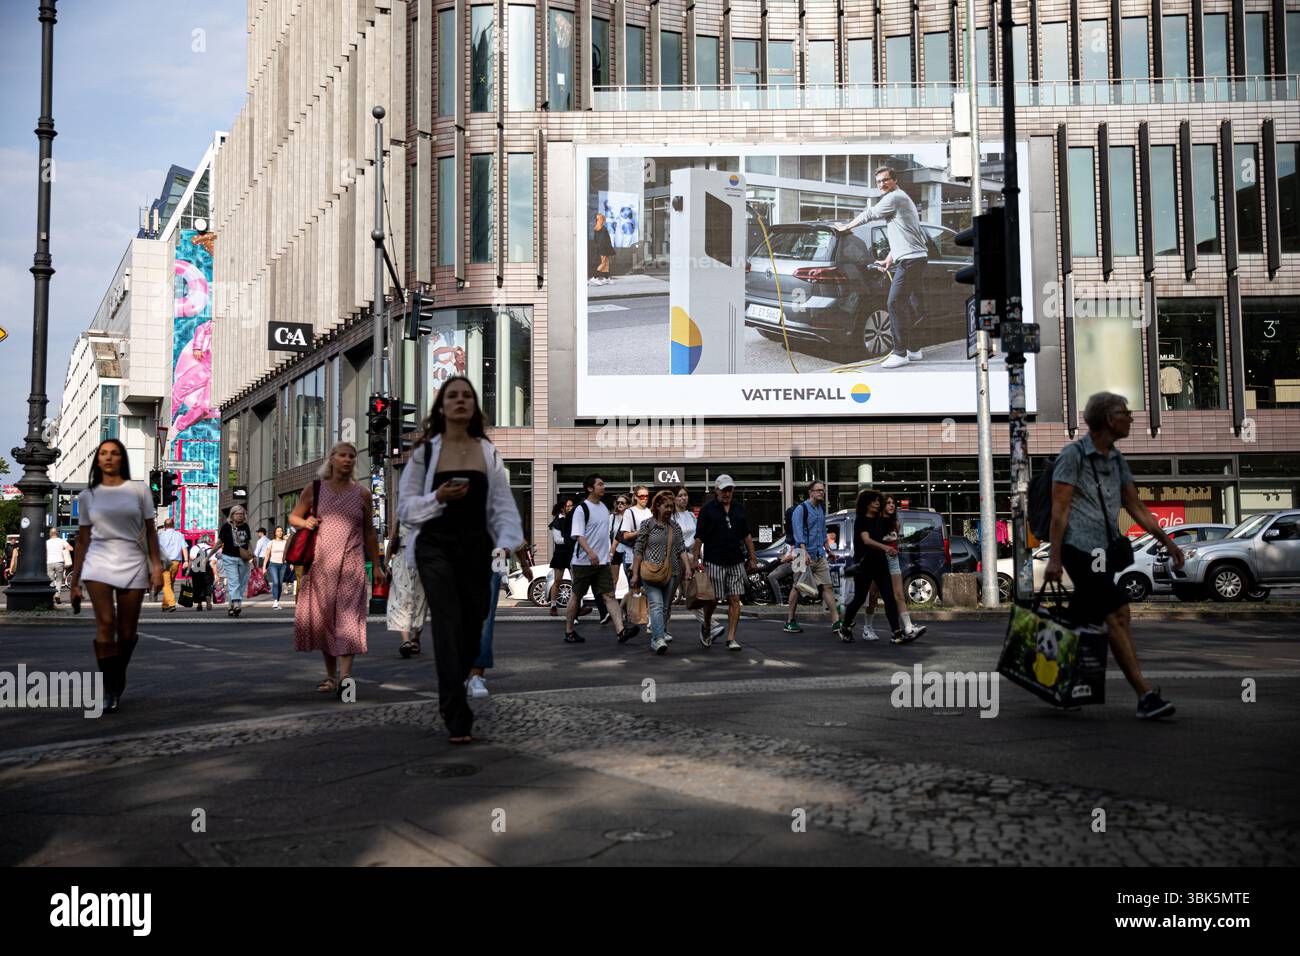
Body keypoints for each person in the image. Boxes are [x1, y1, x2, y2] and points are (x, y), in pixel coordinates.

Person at [398, 375, 529, 742]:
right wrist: (437, 496)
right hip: (434, 547)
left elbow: (502, 505)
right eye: (452, 395)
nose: (459, 401)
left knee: (473, 625)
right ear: (442, 406)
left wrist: (505, 543)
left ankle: (466, 673)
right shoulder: (426, 452)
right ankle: (455, 710)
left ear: (474, 406)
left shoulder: (487, 451)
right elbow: (406, 509)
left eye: (466, 396)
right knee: (445, 621)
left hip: (477, 547)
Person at [1045, 392, 1184, 720]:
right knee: (1118, 612)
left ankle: (1062, 685)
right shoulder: (1073, 456)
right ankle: (1145, 695)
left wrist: (1168, 541)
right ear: (1109, 419)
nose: (1132, 418)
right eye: (1125, 413)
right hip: (1079, 549)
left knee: (1082, 621)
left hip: (1104, 552)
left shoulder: (1117, 460)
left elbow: (1135, 506)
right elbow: (1059, 510)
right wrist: (1054, 557)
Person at [67, 438, 163, 713]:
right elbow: (83, 539)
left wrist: (156, 567)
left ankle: (117, 673)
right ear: (98, 460)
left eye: (115, 453)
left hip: (133, 561)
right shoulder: (88, 496)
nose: (109, 458)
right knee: (106, 623)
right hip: (97, 562)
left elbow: (151, 532)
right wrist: (75, 582)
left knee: (127, 631)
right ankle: (110, 687)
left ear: (122, 459)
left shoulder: (139, 491)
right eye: (104, 454)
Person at [292, 442, 382, 700]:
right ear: (331, 458)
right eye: (342, 455)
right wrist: (306, 521)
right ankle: (331, 676)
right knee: (324, 621)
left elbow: (369, 532)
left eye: (352, 456)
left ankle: (345, 677)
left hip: (352, 565)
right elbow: (294, 517)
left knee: (348, 619)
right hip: (320, 565)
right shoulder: (315, 489)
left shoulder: (363, 493)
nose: (347, 459)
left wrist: (376, 565)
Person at [835, 166, 929, 369]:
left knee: (894, 303)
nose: (881, 184)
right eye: (878, 182)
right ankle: (914, 350)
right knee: (913, 305)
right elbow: (903, 234)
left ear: (895, 180)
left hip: (911, 260)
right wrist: (888, 258)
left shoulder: (894, 197)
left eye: (885, 180)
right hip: (914, 257)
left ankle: (900, 353)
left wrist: (846, 227)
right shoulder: (901, 198)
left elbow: (870, 214)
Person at [563, 473, 638, 644]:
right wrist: (590, 553)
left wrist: (608, 554)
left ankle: (621, 631)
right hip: (583, 562)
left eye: (603, 484)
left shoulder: (604, 508)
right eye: (600, 484)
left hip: (603, 562)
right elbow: (578, 535)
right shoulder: (582, 509)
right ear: (590, 488)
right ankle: (569, 632)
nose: (603, 487)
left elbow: (605, 535)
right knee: (576, 595)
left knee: (609, 595)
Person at [839, 489, 916, 644]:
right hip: (864, 565)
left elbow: (891, 535)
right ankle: (845, 626)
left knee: (889, 598)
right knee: (859, 599)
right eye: (873, 501)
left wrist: (892, 543)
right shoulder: (861, 520)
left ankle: (896, 632)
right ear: (866, 503)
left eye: (878, 500)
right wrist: (886, 548)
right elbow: (866, 540)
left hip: (880, 564)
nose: (877, 503)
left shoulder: (881, 520)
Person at [692, 474, 759, 651]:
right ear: (716, 490)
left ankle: (731, 638)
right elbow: (699, 538)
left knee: (735, 599)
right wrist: (696, 560)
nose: (727, 493)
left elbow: (747, 535)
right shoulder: (708, 509)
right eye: (724, 490)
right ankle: (706, 625)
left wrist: (753, 558)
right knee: (713, 599)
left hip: (735, 560)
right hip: (714, 560)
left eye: (730, 490)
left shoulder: (738, 508)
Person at [631, 489, 691, 654]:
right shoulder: (647, 525)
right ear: (657, 506)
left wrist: (687, 569)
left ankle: (661, 632)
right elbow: (638, 550)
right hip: (650, 572)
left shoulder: (674, 526)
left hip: (671, 572)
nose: (669, 510)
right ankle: (657, 639)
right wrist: (635, 574)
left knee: (665, 607)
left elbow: (681, 548)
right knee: (656, 605)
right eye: (666, 506)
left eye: (671, 507)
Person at [861, 495, 926, 641]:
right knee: (873, 596)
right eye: (888, 503)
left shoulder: (895, 523)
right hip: (878, 561)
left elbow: (896, 541)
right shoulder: (875, 522)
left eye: (893, 503)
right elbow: (870, 542)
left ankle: (908, 627)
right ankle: (867, 627)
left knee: (899, 594)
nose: (891, 505)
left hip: (893, 560)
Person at [784, 480, 842, 634]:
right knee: (797, 587)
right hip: (800, 554)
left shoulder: (821, 509)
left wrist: (828, 550)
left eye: (822, 490)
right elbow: (798, 533)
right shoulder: (800, 509)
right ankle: (790, 621)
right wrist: (804, 552)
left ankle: (836, 621)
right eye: (818, 490)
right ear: (810, 492)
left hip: (819, 554)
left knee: (827, 586)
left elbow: (822, 532)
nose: (821, 493)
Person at [385, 519, 429, 659]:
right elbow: (393, 536)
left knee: (419, 598)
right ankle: (407, 640)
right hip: (405, 557)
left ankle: (415, 638)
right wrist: (386, 559)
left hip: (421, 556)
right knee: (404, 596)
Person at [617, 485, 652, 614]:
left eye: (647, 496)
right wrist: (641, 532)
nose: (645, 499)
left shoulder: (649, 512)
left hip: (647, 555)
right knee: (635, 589)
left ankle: (621, 612)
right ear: (636, 497)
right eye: (642, 496)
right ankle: (622, 612)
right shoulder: (629, 512)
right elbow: (625, 535)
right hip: (631, 555)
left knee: (646, 588)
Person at [547, 498, 576, 615]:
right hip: (560, 554)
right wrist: (572, 539)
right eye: (568, 506)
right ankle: (553, 606)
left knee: (576, 581)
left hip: (572, 553)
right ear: (562, 508)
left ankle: (578, 605)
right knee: (557, 581)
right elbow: (558, 540)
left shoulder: (574, 519)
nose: (570, 508)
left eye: (571, 505)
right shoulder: (557, 522)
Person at [156, 518, 188, 612]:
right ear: (173, 525)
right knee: (170, 583)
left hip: (164, 562)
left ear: (165, 526)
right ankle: (165, 605)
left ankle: (171, 603)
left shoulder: (160, 535)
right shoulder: (179, 535)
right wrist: (186, 561)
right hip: (176, 563)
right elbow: (184, 548)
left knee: (166, 584)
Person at [262, 526, 289, 609]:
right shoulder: (271, 542)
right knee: (276, 582)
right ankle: (275, 601)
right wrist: (264, 567)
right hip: (273, 564)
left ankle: (277, 601)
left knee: (280, 583)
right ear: (275, 533)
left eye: (281, 531)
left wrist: (290, 563)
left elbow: (288, 554)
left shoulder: (285, 542)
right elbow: (267, 555)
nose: (280, 532)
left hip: (283, 565)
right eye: (278, 531)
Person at [189, 535, 216, 611]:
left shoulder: (194, 547)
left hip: (196, 569)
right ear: (208, 540)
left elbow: (191, 559)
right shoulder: (211, 549)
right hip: (207, 569)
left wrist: (188, 570)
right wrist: (216, 574)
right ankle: (208, 599)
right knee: (207, 585)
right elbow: (213, 562)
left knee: (197, 586)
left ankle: (199, 604)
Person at [45, 529, 72, 604]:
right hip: (59, 562)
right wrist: (63, 549)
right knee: (59, 580)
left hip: (49, 562)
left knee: (51, 580)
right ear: (57, 533)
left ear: (50, 534)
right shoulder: (61, 541)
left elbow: (45, 552)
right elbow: (70, 548)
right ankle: (57, 595)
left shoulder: (47, 542)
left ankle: (51, 596)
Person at [590, 212, 615, 285]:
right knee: (603, 263)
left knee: (606, 264)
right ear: (602, 220)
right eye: (604, 219)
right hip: (604, 249)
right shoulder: (603, 229)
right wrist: (608, 249)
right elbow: (605, 240)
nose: (605, 221)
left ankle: (606, 278)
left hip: (601, 248)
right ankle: (594, 278)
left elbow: (596, 240)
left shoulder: (596, 228)